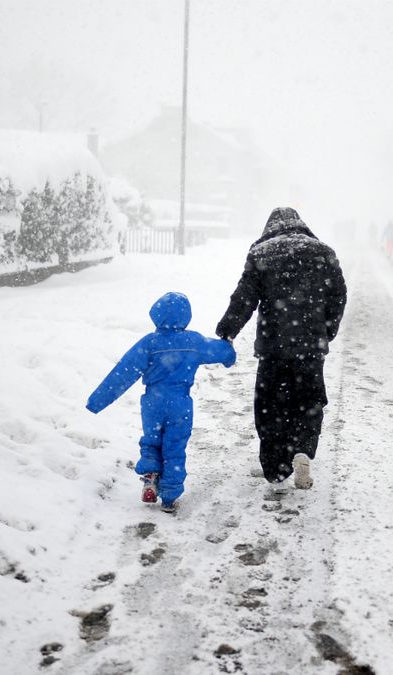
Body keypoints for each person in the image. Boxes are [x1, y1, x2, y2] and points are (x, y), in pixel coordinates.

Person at [216, 207, 347, 490]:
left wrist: (227, 331)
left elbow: (244, 299)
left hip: (273, 348)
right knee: (309, 402)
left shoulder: (262, 253)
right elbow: (338, 295)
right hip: (310, 349)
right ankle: (302, 449)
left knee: (270, 405)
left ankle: (276, 467)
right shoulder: (324, 252)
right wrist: (326, 329)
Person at [86, 291, 236, 513]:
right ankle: (169, 496)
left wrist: (96, 401)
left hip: (153, 403)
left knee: (152, 441)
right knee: (174, 447)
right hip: (180, 403)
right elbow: (220, 351)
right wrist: (229, 353)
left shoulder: (149, 343)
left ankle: (150, 477)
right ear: (186, 316)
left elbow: (123, 372)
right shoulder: (193, 341)